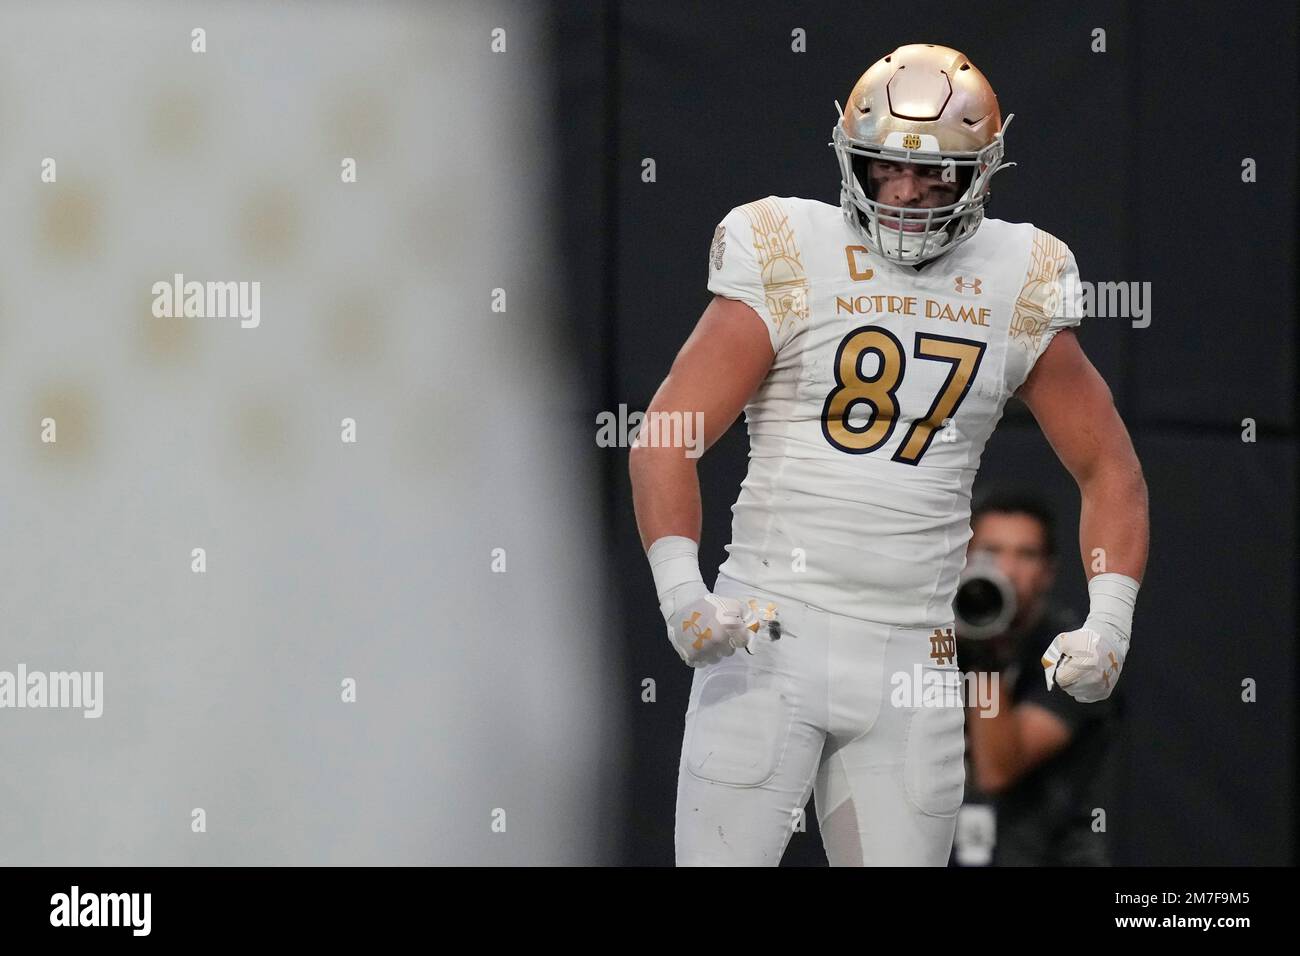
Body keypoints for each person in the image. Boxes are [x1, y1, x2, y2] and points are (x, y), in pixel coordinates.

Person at [628, 43, 1149, 866]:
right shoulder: (787, 244)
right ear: (850, 160)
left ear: (982, 171)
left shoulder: (1020, 272)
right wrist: (679, 589)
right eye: (884, 168)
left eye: (934, 174)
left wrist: (1109, 619)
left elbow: (1109, 467)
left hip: (918, 653)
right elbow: (667, 432)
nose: (905, 192)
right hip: (771, 631)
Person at [952, 491, 1122, 866]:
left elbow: (997, 770)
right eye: (991, 551)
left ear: (1048, 572)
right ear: (962, 561)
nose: (1008, 570)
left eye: (1025, 555)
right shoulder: (931, 640)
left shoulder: (1078, 653)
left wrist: (984, 652)